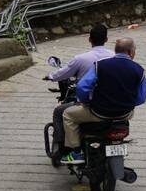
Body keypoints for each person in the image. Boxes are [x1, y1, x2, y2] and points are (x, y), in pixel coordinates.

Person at [60, 38, 146, 164]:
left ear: (116, 50)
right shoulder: (138, 69)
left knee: (68, 115)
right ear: (130, 52)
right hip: (125, 113)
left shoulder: (100, 65)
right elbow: (142, 97)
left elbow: (82, 87)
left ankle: (76, 151)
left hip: (98, 112)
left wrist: (85, 101)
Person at [45, 23, 114, 156]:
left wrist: (50, 76)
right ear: (106, 39)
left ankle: (70, 150)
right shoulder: (114, 56)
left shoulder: (81, 59)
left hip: (94, 106)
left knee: (61, 112)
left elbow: (64, 74)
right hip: (118, 107)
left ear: (89, 39)